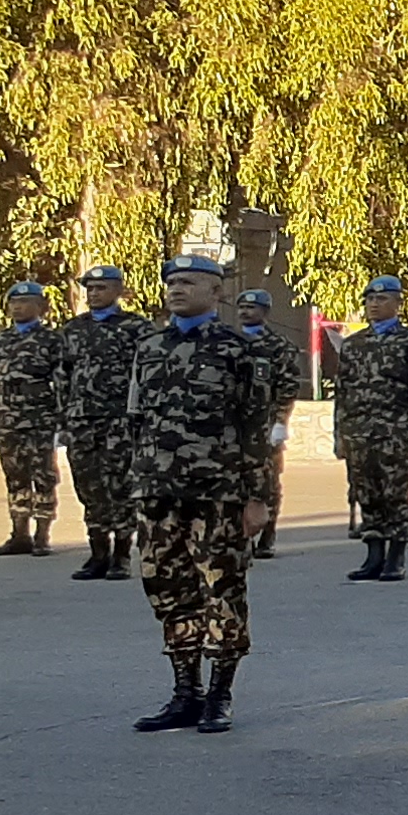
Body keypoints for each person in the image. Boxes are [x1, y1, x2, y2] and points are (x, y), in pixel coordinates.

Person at [123, 255, 270, 731]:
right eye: (172, 282)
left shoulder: (237, 349)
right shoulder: (149, 346)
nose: (176, 289)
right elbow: (136, 419)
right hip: (157, 492)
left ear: (216, 292)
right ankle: (186, 692)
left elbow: (255, 427)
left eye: (188, 282)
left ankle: (220, 694)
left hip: (217, 494)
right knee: (167, 590)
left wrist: (256, 497)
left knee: (222, 591)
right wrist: (136, 483)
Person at [329, 276, 408, 583]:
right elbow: (343, 392)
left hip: (395, 431)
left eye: (382, 299)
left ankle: (396, 556)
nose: (374, 304)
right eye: (370, 300)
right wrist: (340, 435)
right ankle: (373, 554)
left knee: (395, 492)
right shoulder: (354, 344)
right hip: (359, 432)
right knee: (365, 492)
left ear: (397, 304)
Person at [60, 264, 151, 581]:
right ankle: (98, 553)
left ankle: (122, 555)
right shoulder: (73, 329)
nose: (94, 293)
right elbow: (63, 376)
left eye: (101, 288)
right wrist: (63, 419)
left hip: (119, 421)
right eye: (90, 288)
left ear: (118, 291)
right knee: (89, 487)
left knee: (121, 486)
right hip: (82, 421)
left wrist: (142, 418)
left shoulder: (136, 328)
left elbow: (147, 375)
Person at [0, 280, 67, 559]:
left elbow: (62, 381)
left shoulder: (51, 340)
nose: (17, 308)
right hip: (7, 418)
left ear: (40, 307)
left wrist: (62, 418)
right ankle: (20, 534)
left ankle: (42, 534)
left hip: (39, 417)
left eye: (25, 302)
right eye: (14, 303)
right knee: (15, 476)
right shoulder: (0, 340)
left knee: (43, 475)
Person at [230, 290, 298, 559]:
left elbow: (288, 386)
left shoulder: (278, 345)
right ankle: (240, 535)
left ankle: (267, 535)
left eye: (252, 308)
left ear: (265, 312)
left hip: (265, 423)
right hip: (235, 425)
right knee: (235, 481)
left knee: (267, 481)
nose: (245, 312)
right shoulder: (229, 341)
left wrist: (280, 421)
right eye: (242, 307)